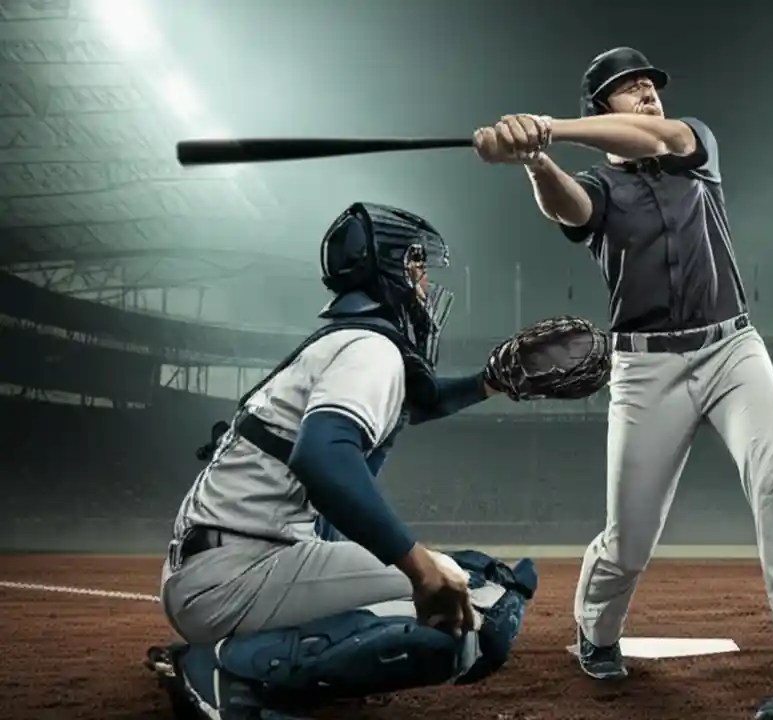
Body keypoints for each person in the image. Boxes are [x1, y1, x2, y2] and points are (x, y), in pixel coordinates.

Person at [472, 47, 773, 720]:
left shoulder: (692, 143)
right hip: (645, 369)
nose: (646, 90)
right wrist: (533, 158)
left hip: (733, 348)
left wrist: (546, 126)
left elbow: (659, 138)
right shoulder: (601, 187)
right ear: (601, 106)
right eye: (627, 86)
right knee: (630, 536)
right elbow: (568, 209)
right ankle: (596, 630)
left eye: (649, 82)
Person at [148, 202, 538, 720]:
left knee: (467, 572)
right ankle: (223, 668)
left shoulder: (352, 344)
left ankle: (249, 660)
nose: (425, 284)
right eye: (418, 267)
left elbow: (416, 405)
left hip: (226, 565)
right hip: (241, 574)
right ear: (391, 271)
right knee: (477, 608)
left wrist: (491, 382)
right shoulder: (372, 349)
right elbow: (323, 457)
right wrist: (420, 568)